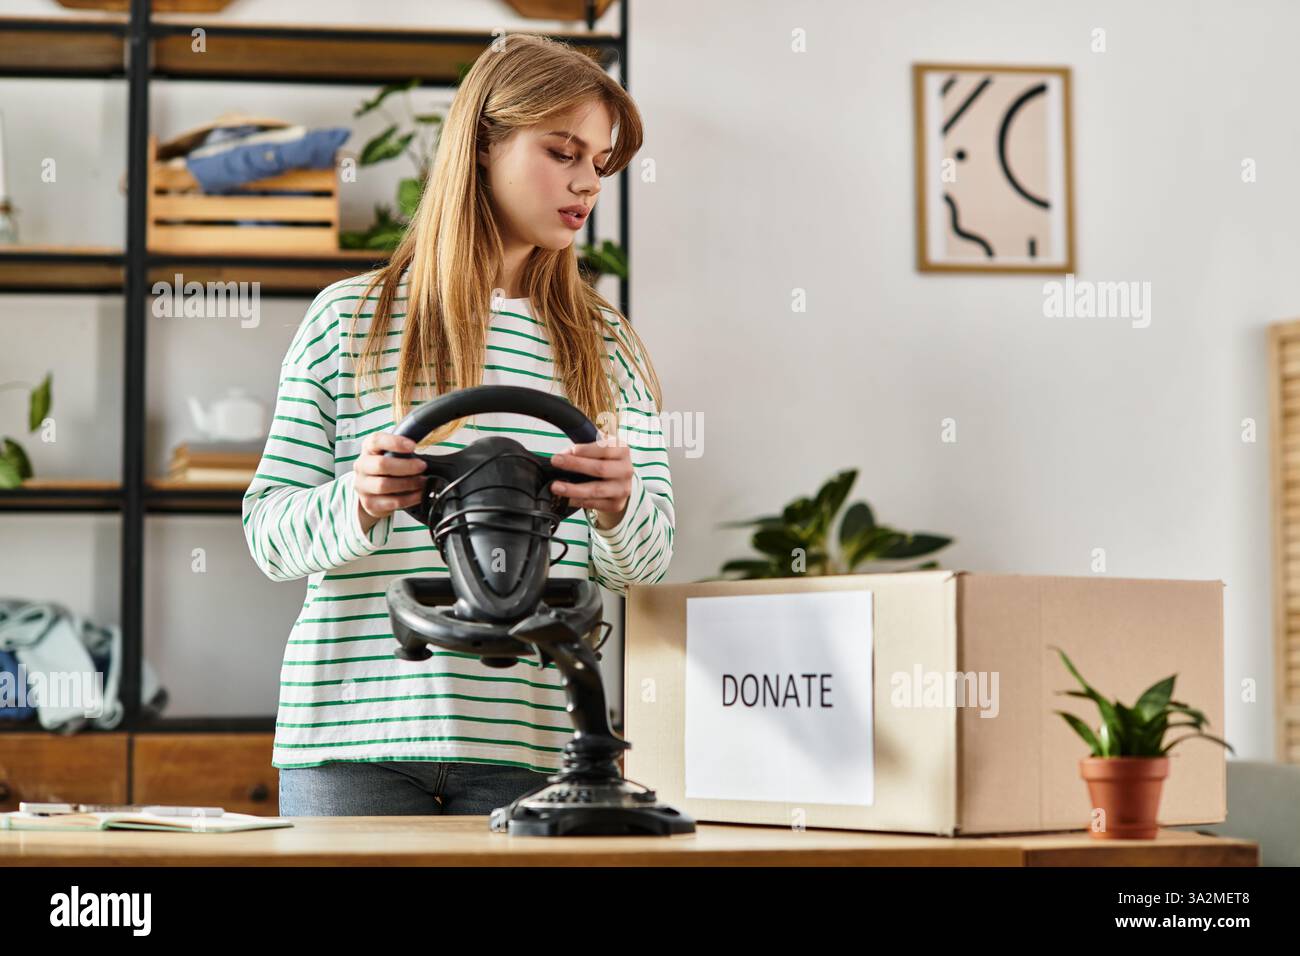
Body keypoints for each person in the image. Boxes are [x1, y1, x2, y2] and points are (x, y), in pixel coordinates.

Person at [242, 34, 673, 816]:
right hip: (350, 745)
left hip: (535, 751)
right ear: (481, 146)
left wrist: (618, 505)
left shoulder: (608, 346)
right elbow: (268, 535)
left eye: (600, 164)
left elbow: (645, 563)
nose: (587, 183)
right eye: (562, 151)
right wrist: (360, 499)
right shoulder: (348, 319)